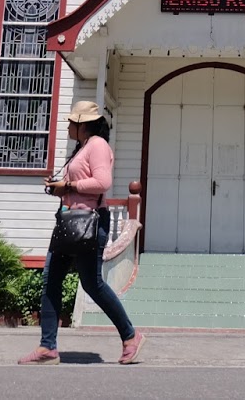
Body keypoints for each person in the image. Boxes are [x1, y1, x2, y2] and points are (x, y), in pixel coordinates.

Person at [17, 101, 143, 366]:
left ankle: (130, 336)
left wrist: (70, 184)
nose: (68, 126)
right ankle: (47, 347)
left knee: (92, 284)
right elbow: (79, 185)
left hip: (90, 222)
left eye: (71, 122)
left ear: (82, 124)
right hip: (70, 222)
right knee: (51, 280)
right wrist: (59, 188)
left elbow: (103, 182)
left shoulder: (97, 145)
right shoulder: (82, 148)